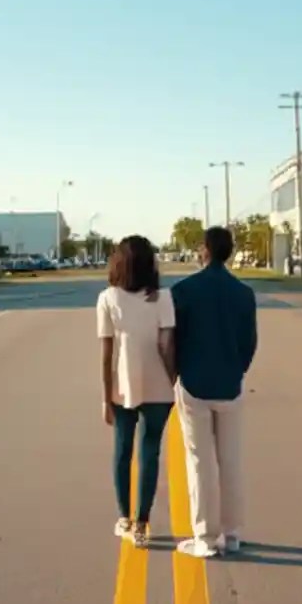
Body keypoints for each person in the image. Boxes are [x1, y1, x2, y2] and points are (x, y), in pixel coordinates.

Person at [170, 226, 258, 558]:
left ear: (205, 250)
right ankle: (231, 533)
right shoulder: (244, 293)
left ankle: (204, 537)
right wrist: (237, 369)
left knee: (200, 462)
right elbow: (250, 342)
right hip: (229, 384)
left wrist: (178, 370)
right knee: (230, 460)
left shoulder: (183, 291)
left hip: (194, 384)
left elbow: (173, 339)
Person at [97, 235, 177, 549]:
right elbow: (166, 346)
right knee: (150, 452)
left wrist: (105, 397)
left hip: (122, 385)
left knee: (122, 451)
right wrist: (174, 381)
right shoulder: (163, 298)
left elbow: (106, 354)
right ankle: (143, 522)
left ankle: (124, 518)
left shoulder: (108, 298)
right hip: (159, 385)